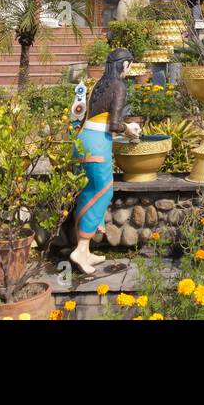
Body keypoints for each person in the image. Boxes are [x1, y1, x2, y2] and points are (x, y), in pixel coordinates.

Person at [68, 47, 140, 275]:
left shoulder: (100, 84)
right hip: (98, 144)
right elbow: (114, 124)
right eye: (130, 65)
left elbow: (98, 118)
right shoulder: (118, 86)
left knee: (90, 191)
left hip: (83, 141)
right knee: (104, 191)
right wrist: (130, 130)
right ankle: (80, 249)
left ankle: (85, 247)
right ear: (124, 65)